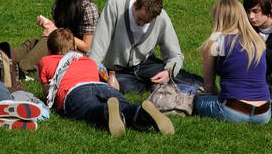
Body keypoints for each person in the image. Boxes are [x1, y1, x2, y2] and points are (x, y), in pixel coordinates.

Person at [38, 29, 173, 136]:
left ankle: (106, 110)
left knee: (90, 110)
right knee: (124, 108)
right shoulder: (88, 61)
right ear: (74, 46)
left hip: (76, 92)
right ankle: (140, 110)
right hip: (103, 87)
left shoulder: (45, 61)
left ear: (49, 49)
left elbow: (47, 92)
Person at [87, 0, 203, 95]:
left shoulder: (161, 18)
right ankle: (152, 87)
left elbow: (175, 55)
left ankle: (157, 85)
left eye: (147, 22)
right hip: (117, 70)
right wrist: (91, 74)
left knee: (192, 82)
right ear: (135, 5)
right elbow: (98, 48)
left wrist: (168, 73)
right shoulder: (115, 6)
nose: (142, 24)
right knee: (120, 86)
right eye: (140, 18)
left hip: (145, 65)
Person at [194, 0, 271, 125]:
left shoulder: (217, 40)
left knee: (195, 99)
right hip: (263, 114)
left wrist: (214, 97)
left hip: (233, 110)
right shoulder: (258, 40)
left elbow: (209, 84)